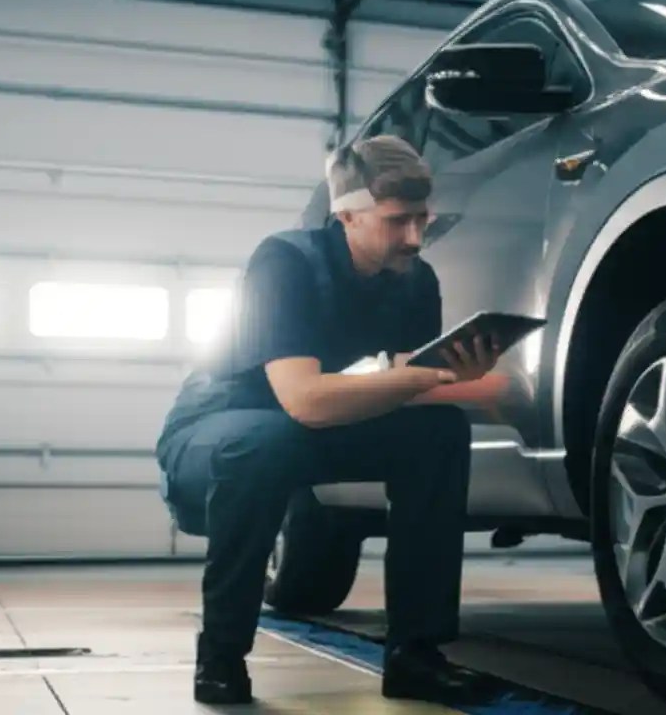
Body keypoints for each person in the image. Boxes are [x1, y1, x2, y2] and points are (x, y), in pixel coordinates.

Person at [154, 134, 500, 706]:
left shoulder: (416, 279)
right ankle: (221, 654)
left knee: (438, 434)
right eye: (397, 221)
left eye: (423, 220)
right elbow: (304, 401)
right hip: (220, 426)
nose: (415, 238)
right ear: (346, 214)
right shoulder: (285, 261)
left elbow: (401, 391)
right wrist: (424, 378)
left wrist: (461, 373)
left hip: (306, 430)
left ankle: (416, 654)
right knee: (262, 443)